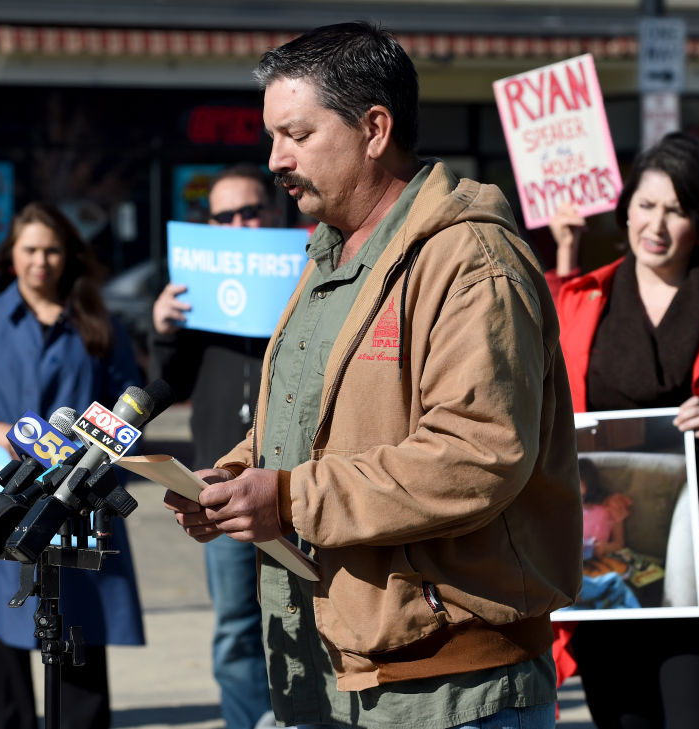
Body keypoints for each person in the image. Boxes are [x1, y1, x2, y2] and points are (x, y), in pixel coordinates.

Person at [164, 22, 582, 729]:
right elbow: (310, 427)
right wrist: (236, 480)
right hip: (336, 668)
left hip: (449, 687)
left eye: (294, 134)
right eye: (272, 137)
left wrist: (291, 498)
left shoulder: (469, 259)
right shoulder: (326, 256)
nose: (275, 160)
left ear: (375, 128)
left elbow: (478, 455)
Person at [546, 131, 699, 728]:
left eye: (677, 209)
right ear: (626, 210)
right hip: (601, 576)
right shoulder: (582, 299)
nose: (658, 224)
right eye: (647, 205)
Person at [0, 202, 146, 729]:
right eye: (30, 249)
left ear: (67, 255)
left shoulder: (98, 322)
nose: (41, 261)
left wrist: (93, 444)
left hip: (79, 494)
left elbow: (130, 404)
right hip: (2, 490)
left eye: (51, 250)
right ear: (11, 256)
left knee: (77, 636)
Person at [149, 163, 278, 729]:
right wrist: (164, 329)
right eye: (225, 216)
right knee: (234, 628)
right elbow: (168, 385)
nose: (241, 224)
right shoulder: (199, 292)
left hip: (293, 485)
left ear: (272, 215)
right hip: (220, 486)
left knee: (309, 624)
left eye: (250, 211)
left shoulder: (300, 277)